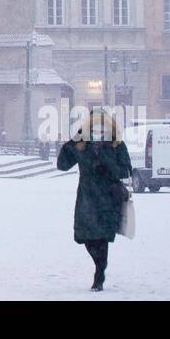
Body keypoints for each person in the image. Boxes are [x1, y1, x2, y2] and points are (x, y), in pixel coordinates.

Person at [56, 109, 132, 292]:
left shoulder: (116, 144)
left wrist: (107, 161)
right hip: (86, 198)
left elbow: (126, 171)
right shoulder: (82, 144)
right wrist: (72, 142)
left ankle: (99, 274)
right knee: (85, 238)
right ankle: (99, 266)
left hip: (107, 199)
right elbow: (62, 165)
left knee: (102, 238)